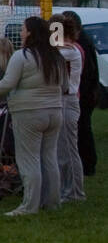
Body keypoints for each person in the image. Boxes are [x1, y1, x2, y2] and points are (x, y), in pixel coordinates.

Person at [0, 16, 67, 216]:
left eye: (23, 30)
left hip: (29, 113)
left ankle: (29, 206)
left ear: (31, 33)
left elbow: (8, 84)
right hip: (55, 112)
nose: (21, 33)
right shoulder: (56, 57)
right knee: (49, 157)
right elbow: (65, 86)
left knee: (29, 160)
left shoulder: (22, 56)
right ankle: (52, 202)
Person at [49, 15, 85, 202]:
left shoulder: (70, 51)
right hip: (63, 100)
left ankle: (74, 192)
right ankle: (67, 189)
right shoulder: (66, 49)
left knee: (68, 150)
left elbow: (50, 56)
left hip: (68, 100)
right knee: (61, 149)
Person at [62, 11, 99, 176]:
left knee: (82, 130)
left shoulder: (78, 44)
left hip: (82, 94)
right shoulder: (83, 41)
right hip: (85, 93)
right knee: (82, 129)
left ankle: (88, 164)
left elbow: (87, 72)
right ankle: (87, 164)